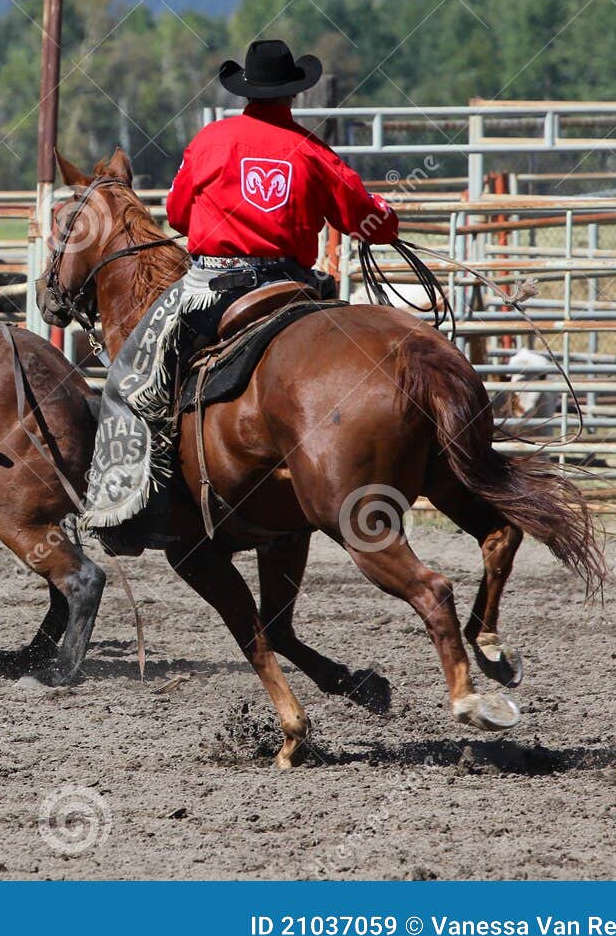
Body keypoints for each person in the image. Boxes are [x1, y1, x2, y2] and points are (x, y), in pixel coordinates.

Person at [81, 39, 400, 553]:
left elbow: (181, 215)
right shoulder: (314, 151)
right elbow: (368, 220)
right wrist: (386, 214)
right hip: (293, 284)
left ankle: (129, 503)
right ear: (293, 95)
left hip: (214, 284)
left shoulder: (211, 141)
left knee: (130, 378)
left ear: (245, 91)